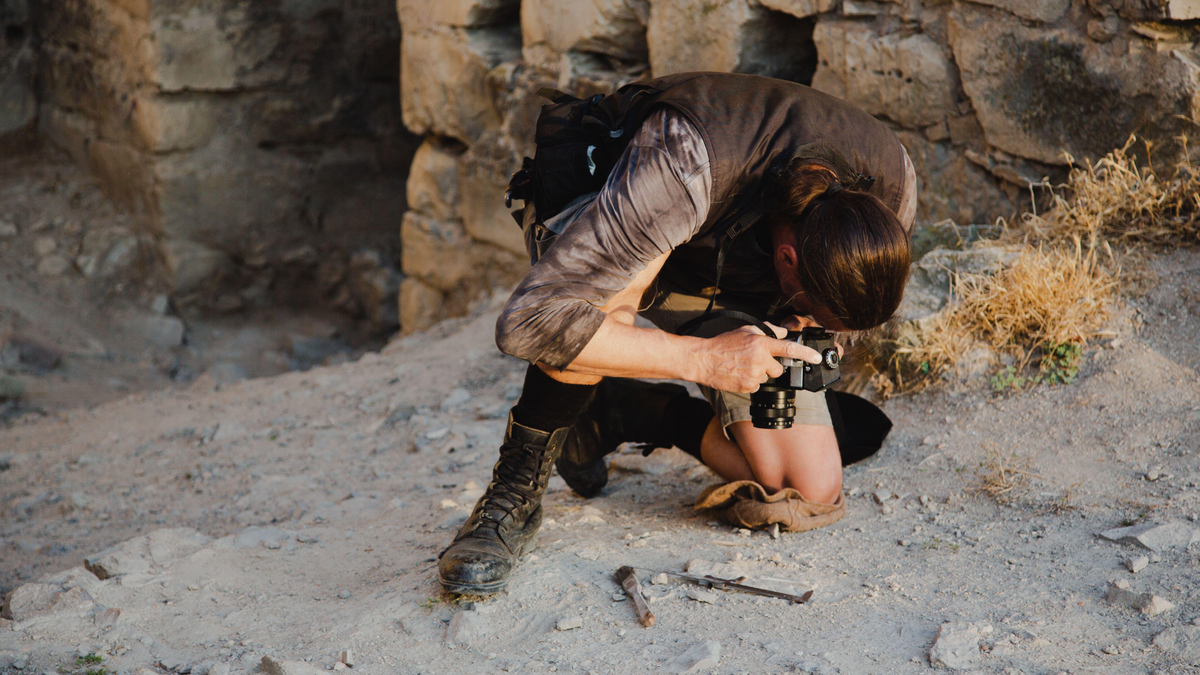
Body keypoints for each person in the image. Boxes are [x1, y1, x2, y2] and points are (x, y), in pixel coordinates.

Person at [438, 72, 917, 595]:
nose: (815, 334)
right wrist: (704, 360)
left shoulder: (893, 187)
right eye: (813, 318)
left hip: (734, 278)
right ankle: (512, 496)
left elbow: (823, 315)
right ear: (789, 260)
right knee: (597, 311)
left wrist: (804, 348)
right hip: (619, 221)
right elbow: (531, 322)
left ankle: (628, 409)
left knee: (803, 489)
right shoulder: (685, 164)